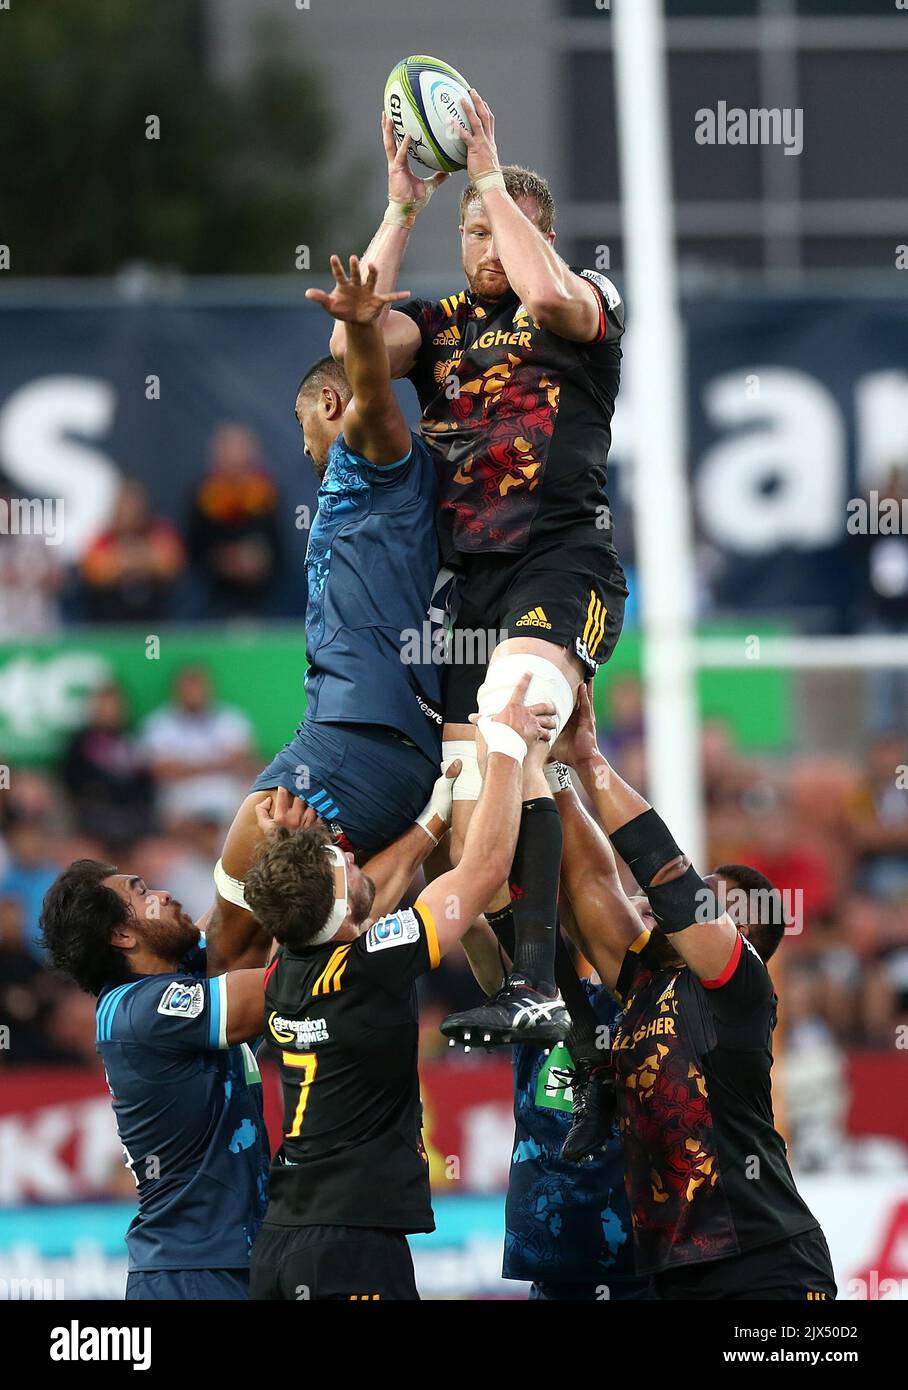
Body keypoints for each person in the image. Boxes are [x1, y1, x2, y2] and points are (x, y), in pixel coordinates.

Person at [331, 95, 628, 1041]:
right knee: (474, 809)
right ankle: (563, 1019)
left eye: (502, 227)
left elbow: (550, 297)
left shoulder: (586, 304)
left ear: (537, 233)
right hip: (471, 590)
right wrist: (403, 207)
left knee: (509, 724)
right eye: (472, 230)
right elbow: (354, 347)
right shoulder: (441, 321)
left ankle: (545, 988)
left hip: (563, 563)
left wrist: (492, 175)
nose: (487, 244)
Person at [247, 674, 555, 1301]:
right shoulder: (368, 963)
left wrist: (435, 816)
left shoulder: (291, 965)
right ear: (339, 911)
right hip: (349, 1245)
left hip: (282, 1243)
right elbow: (484, 870)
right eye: (345, 866)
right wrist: (507, 747)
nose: (356, 865)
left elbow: (363, 898)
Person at [204, 254, 450, 977]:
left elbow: (372, 391)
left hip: (357, 742)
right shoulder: (375, 488)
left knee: (230, 938)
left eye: (302, 423)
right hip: (371, 740)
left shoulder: (376, 465)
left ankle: (194, 1061)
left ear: (329, 408)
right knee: (318, 931)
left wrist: (360, 322)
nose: (304, 444)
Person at [550, 685, 837, 1301]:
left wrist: (593, 762)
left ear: (745, 936)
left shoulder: (743, 987)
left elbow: (668, 878)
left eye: (717, 901)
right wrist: (551, 767)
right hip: (674, 1270)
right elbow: (587, 883)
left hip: (768, 1261)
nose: (687, 907)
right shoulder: (645, 981)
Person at [38, 844, 274, 1299]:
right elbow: (284, 987)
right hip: (190, 1273)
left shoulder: (162, 985)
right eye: (141, 891)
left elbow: (236, 926)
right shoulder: (145, 1010)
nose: (163, 894)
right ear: (123, 937)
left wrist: (273, 844)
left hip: (230, 1259)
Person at [459, 907, 650, 1301]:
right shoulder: (540, 1007)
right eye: (630, 905)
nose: (636, 915)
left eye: (650, 914)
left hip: (648, 1268)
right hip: (552, 1267)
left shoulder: (669, 1015)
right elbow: (471, 922)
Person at [142, 665, 254, 831]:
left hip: (225, 795)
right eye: (189, 688)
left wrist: (187, 766)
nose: (194, 693)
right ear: (177, 691)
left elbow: (242, 761)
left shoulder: (230, 719)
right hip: (182, 798)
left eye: (198, 687)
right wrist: (218, 763)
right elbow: (162, 771)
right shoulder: (159, 724)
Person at [188, 424, 283, 619]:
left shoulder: (266, 493)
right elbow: (192, 549)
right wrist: (222, 560)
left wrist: (258, 559)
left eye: (239, 452)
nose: (234, 462)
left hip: (262, 592)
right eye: (228, 451)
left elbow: (278, 547)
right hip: (212, 591)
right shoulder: (201, 495)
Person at [78, 478, 185, 624]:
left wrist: (137, 556)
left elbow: (170, 566)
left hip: (156, 619)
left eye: (134, 507)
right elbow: (95, 573)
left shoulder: (158, 531)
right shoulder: (104, 537)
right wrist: (124, 561)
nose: (129, 514)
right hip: (111, 620)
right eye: (124, 507)